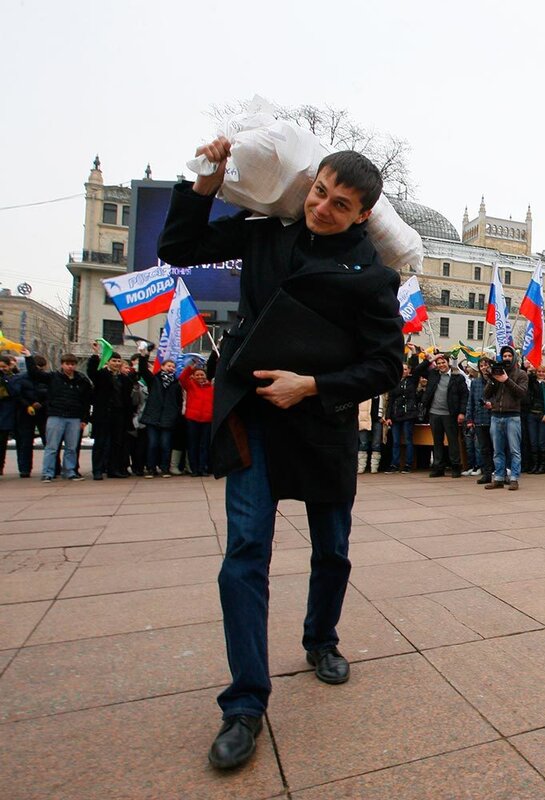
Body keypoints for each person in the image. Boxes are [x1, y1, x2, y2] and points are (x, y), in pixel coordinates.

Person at [158, 137, 405, 771]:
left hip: (320, 425)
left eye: (340, 203)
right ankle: (244, 703)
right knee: (245, 550)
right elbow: (179, 250)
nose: (323, 208)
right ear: (310, 185)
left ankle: (321, 639)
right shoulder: (266, 232)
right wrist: (208, 180)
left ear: (361, 217)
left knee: (333, 548)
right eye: (320, 191)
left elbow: (385, 366)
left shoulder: (374, 277)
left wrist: (315, 387)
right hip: (254, 419)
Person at [28, 352, 90, 481]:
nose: (70, 367)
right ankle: (48, 472)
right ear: (62, 365)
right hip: (56, 415)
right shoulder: (53, 377)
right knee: (52, 446)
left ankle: (69, 471)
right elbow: (35, 374)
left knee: (71, 447)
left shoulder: (81, 380)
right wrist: (28, 358)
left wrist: (84, 418)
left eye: (72, 364)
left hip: (74, 416)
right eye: (67, 364)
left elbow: (85, 401)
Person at [415, 351, 467, 478]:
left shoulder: (457, 377)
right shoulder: (433, 374)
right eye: (438, 363)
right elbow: (417, 370)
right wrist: (431, 359)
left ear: (448, 363)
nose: (441, 365)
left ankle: (456, 466)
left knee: (452, 441)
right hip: (434, 413)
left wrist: (462, 412)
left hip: (450, 414)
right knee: (437, 442)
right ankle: (438, 467)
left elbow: (464, 396)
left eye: (443, 362)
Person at [86, 344, 134, 479]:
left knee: (116, 443)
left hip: (119, 415)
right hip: (103, 414)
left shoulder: (124, 378)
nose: (117, 363)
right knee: (101, 443)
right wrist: (95, 355)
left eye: (119, 361)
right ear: (108, 362)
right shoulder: (101, 375)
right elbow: (91, 372)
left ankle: (113, 469)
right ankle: (97, 470)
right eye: (114, 361)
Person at [484, 344, 528, 490]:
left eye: (509, 356)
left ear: (514, 358)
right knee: (498, 450)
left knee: (514, 449)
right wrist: (492, 378)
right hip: (496, 415)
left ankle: (514, 478)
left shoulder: (521, 374)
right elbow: (486, 394)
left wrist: (506, 380)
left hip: (513, 416)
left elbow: (521, 393)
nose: (507, 358)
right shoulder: (496, 373)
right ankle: (498, 477)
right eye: (504, 356)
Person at [136, 352, 183, 478]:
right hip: (153, 417)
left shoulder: (176, 384)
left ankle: (164, 468)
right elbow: (143, 370)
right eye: (168, 365)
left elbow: (179, 402)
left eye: (173, 366)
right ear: (162, 367)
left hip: (168, 418)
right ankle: (151, 468)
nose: (171, 368)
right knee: (152, 444)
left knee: (166, 444)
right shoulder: (154, 380)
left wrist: (175, 415)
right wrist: (144, 356)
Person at [178, 360, 214, 477]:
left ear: (205, 376)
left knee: (204, 445)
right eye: (197, 375)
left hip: (207, 420)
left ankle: (202, 468)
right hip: (192, 419)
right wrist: (190, 368)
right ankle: (194, 469)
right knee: (192, 445)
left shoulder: (211, 388)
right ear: (193, 376)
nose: (199, 377)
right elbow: (182, 378)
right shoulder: (191, 385)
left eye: (202, 375)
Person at [385, 361, 419, 473]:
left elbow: (417, 368)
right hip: (395, 415)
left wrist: (414, 354)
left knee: (408, 440)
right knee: (395, 441)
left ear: (409, 371)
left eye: (405, 369)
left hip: (408, 414)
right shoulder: (394, 382)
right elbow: (390, 400)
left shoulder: (412, 381)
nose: (403, 371)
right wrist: (388, 416)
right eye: (401, 369)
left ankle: (408, 464)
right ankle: (394, 464)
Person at [466, 356, 494, 484]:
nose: (484, 368)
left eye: (486, 365)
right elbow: (470, 402)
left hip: (494, 418)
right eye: (481, 366)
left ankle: (499, 472)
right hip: (480, 419)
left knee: (496, 448)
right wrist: (470, 419)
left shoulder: (496, 381)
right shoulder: (475, 382)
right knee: (484, 448)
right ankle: (486, 473)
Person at [526, 364, 545, 474]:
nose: (541, 374)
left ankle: (543, 465)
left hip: (544, 415)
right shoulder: (532, 383)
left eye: (543, 372)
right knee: (533, 441)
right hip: (532, 414)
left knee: (541, 441)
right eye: (539, 372)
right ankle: (535, 465)